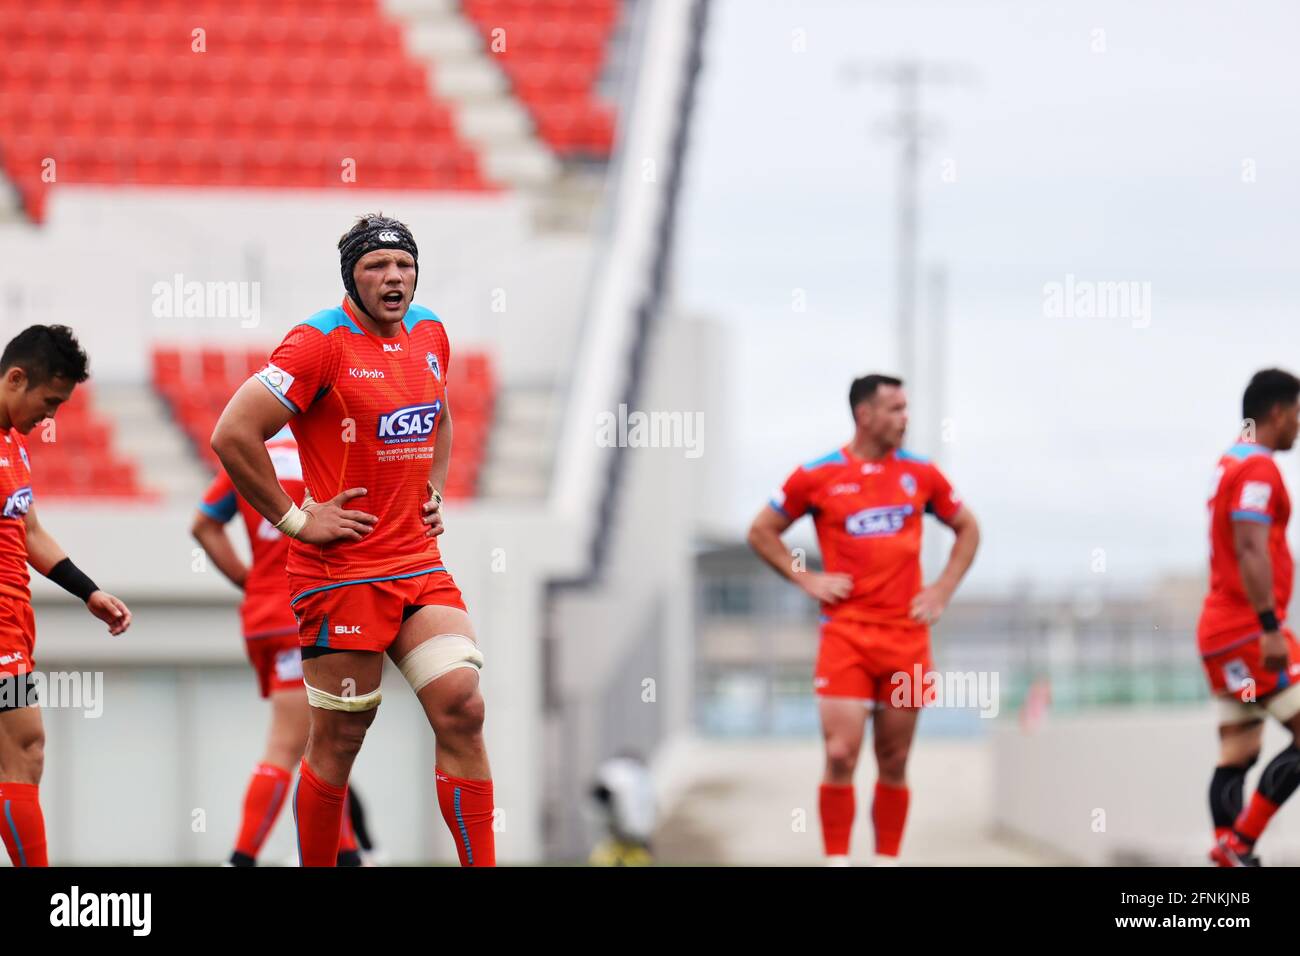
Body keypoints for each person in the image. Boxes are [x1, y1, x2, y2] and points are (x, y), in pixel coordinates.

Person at [211, 214, 493, 866]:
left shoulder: (431, 332)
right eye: (376, 267)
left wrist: (435, 489)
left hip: (419, 563)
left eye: (403, 265)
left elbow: (440, 413)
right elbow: (233, 432)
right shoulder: (318, 344)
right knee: (339, 740)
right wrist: (298, 521)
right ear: (352, 278)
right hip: (339, 576)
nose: (393, 277)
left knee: (463, 707)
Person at [747, 374, 978, 865]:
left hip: (907, 639)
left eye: (906, 408)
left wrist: (940, 590)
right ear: (864, 414)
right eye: (894, 408)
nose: (905, 418)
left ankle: (886, 859)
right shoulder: (816, 474)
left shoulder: (922, 474)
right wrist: (805, 578)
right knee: (839, 753)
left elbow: (967, 528)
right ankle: (837, 859)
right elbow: (763, 531)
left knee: (894, 759)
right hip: (846, 634)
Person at [193, 428, 374, 866]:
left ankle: (347, 855)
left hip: (265, 616)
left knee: (324, 743)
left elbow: (204, 525)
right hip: (308, 609)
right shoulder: (331, 455)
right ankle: (241, 859)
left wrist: (249, 582)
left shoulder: (247, 454)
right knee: (291, 743)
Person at [0, 325, 132, 867]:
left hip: (15, 619)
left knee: (21, 753)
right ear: (15, 378)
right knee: (24, 746)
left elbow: (28, 532)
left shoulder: (13, 444)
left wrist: (88, 591)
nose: (50, 418)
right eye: (49, 401)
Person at [1202, 369, 1300, 867]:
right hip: (1248, 631)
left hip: (1219, 634)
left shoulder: (1229, 461)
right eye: (1299, 414)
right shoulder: (1259, 469)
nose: (1299, 426)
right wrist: (1268, 627)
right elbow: (1248, 543)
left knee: (1238, 750)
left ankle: (1228, 856)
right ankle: (1239, 845)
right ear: (1278, 412)